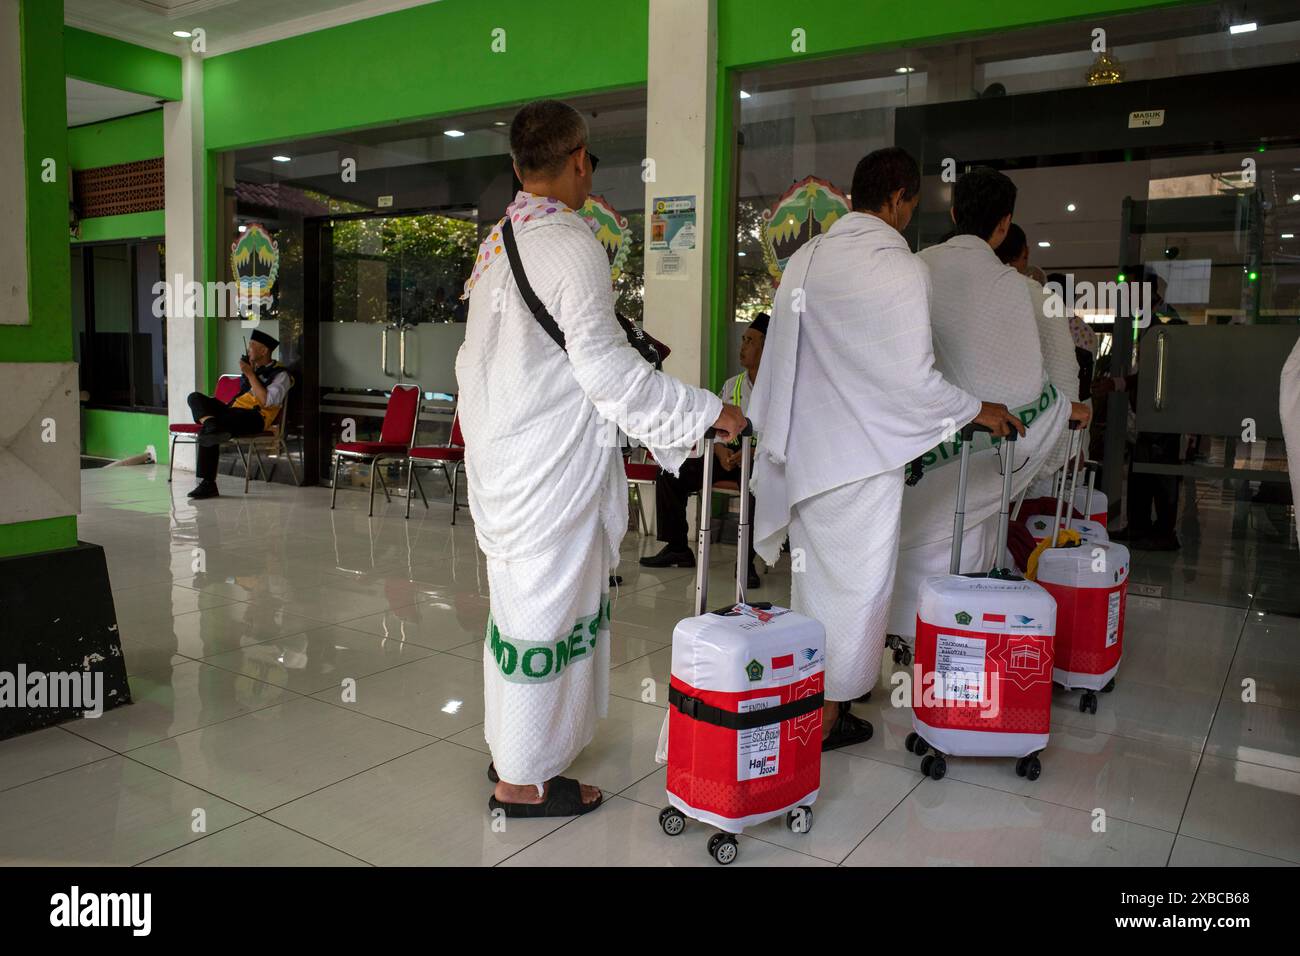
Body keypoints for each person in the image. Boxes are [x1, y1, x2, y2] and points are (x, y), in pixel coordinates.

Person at [455, 99, 744, 817]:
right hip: (547, 469)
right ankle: (521, 779)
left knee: (520, 615)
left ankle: (515, 747)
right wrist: (706, 412)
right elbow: (607, 373)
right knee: (545, 616)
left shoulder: (499, 243)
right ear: (579, 159)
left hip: (504, 462)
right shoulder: (573, 242)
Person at [748, 147, 1024, 750]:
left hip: (803, 456)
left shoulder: (808, 258)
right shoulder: (900, 269)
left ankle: (810, 695)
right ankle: (825, 718)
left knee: (812, 584)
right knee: (859, 587)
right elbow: (913, 382)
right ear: (898, 199)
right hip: (863, 459)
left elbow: (782, 360)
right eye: (911, 205)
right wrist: (979, 409)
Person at [886, 167, 1089, 641]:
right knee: (968, 548)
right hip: (980, 459)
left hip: (915, 454)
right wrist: (1064, 410)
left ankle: (895, 633)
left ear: (954, 212)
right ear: (1004, 225)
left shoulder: (915, 267)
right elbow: (1026, 389)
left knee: (904, 540)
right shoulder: (1015, 289)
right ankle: (953, 644)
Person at [640, 313, 768, 588]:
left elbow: (783, 435)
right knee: (672, 471)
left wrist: (752, 454)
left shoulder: (778, 388)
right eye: (743, 339)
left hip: (760, 460)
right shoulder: (732, 384)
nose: (742, 347)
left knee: (756, 484)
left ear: (767, 348)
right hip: (727, 456)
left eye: (750, 341)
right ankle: (677, 547)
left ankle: (746, 562)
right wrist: (722, 452)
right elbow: (716, 426)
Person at [997, 224, 1084, 490]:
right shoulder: (1041, 300)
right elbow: (1063, 372)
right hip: (1030, 433)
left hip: (968, 437)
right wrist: (1068, 442)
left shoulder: (966, 289)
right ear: (1025, 254)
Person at [184, 328, 291, 500]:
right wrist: (250, 373)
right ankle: (211, 423)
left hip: (255, 417)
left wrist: (250, 374)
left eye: (252, 345)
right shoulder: (253, 371)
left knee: (215, 427)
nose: (248, 349)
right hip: (232, 410)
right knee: (195, 398)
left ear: (264, 351)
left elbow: (266, 401)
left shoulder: (281, 375)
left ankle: (208, 483)